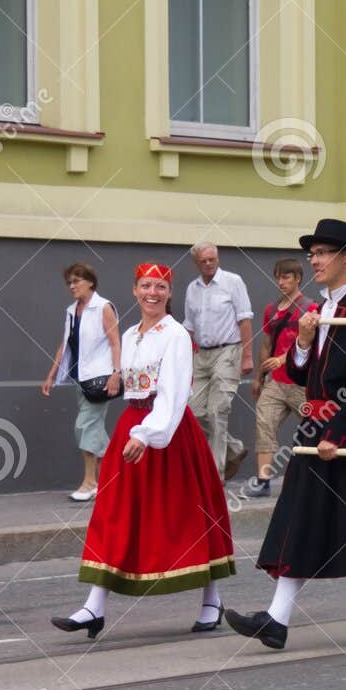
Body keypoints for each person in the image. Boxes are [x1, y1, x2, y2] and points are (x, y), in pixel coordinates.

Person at [226, 219, 346, 650]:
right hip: (317, 433)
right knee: (300, 520)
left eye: (322, 252)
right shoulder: (323, 309)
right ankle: (276, 619)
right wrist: (302, 342)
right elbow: (300, 373)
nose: (313, 260)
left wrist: (341, 432)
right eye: (312, 253)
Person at [51, 263, 234, 639]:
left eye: (161, 286)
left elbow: (174, 389)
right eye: (147, 285)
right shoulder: (131, 333)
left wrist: (149, 433)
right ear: (134, 290)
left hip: (166, 431)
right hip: (129, 426)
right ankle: (94, 606)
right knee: (114, 510)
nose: (153, 292)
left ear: (170, 292)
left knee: (188, 513)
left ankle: (212, 599)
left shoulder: (177, 334)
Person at [41, 262, 122, 501]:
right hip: (79, 378)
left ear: (91, 283)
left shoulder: (103, 307)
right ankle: (116, 478)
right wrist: (51, 375)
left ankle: (90, 483)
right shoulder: (71, 310)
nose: (72, 286)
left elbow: (115, 342)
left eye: (76, 281)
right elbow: (64, 344)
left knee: (84, 426)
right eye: (69, 282)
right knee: (93, 429)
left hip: (100, 378)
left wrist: (116, 373)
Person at [247, 259, 319, 497]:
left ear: (298, 278)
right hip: (275, 382)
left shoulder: (310, 308)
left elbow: (311, 342)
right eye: (278, 277)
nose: (281, 282)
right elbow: (266, 345)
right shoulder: (271, 309)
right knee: (264, 424)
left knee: (316, 427)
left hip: (300, 381)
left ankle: (320, 477)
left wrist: (282, 359)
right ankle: (263, 480)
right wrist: (259, 377)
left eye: (286, 277)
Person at [183, 241, 253, 480]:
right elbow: (189, 327)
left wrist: (247, 356)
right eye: (204, 260)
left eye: (213, 259)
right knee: (192, 412)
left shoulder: (233, 282)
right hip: (200, 354)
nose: (209, 263)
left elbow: (244, 319)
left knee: (217, 411)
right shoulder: (192, 288)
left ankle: (214, 476)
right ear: (196, 263)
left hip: (228, 351)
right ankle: (233, 448)